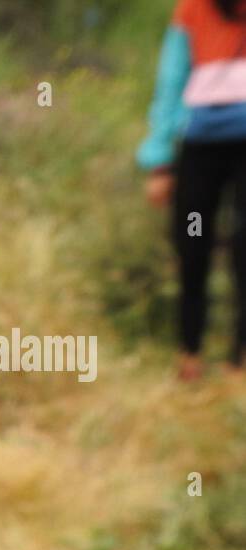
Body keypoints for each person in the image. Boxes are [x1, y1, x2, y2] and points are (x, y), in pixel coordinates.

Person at [139, 0, 246, 380]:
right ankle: (191, 351)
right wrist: (161, 161)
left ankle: (240, 358)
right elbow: (171, 83)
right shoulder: (193, 9)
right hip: (200, 149)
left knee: (243, 245)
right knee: (194, 237)